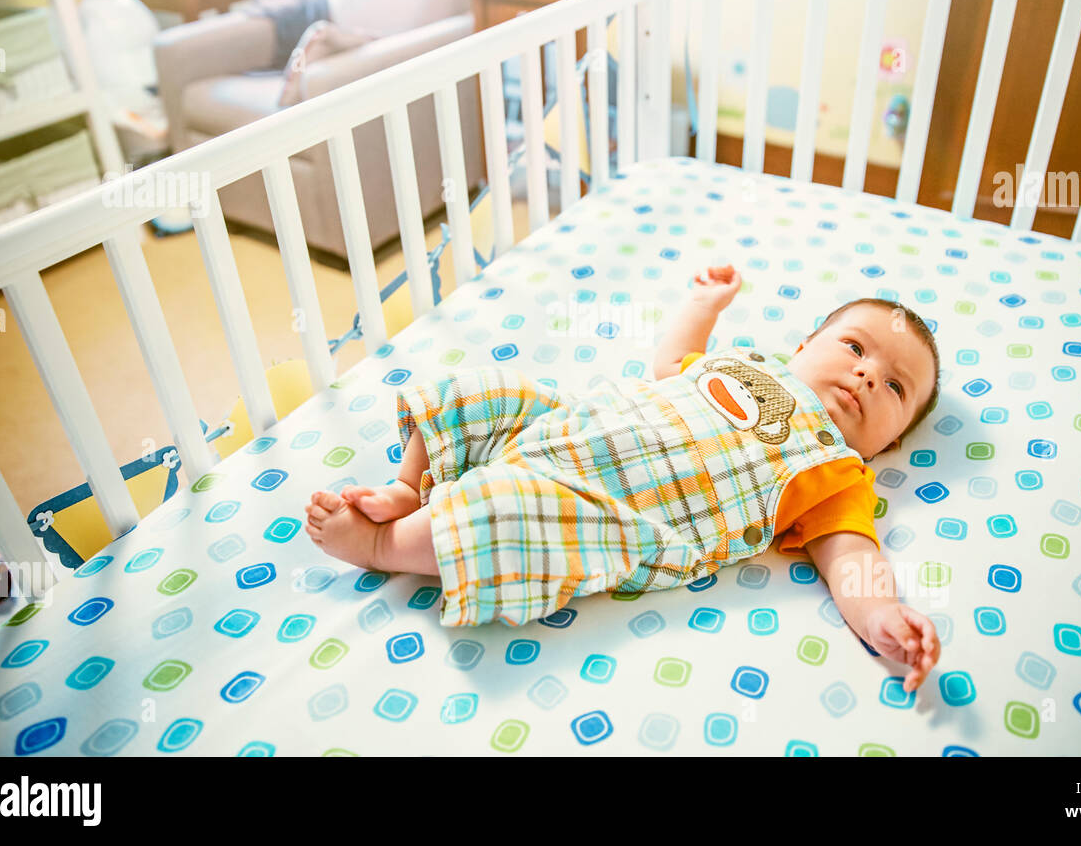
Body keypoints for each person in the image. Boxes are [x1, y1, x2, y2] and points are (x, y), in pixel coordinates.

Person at [305, 265, 943, 690]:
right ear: (805, 343)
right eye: (856, 348)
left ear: (894, 440)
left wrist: (883, 612)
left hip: (612, 508)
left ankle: (382, 546)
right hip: (583, 423)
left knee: (508, 517)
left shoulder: (835, 473)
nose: (866, 376)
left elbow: (852, 556)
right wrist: (702, 305)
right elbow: (669, 365)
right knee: (487, 393)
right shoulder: (745, 362)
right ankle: (407, 485)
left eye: (895, 386)